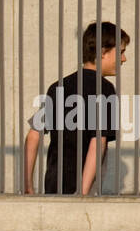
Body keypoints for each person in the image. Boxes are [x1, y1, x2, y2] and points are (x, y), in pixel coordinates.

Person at [24, 22, 130, 195]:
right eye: (120, 52)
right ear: (103, 52)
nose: (123, 59)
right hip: (82, 190)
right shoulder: (104, 89)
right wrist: (82, 192)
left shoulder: (58, 87)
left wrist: (28, 185)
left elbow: (33, 136)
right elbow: (98, 142)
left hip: (54, 185)